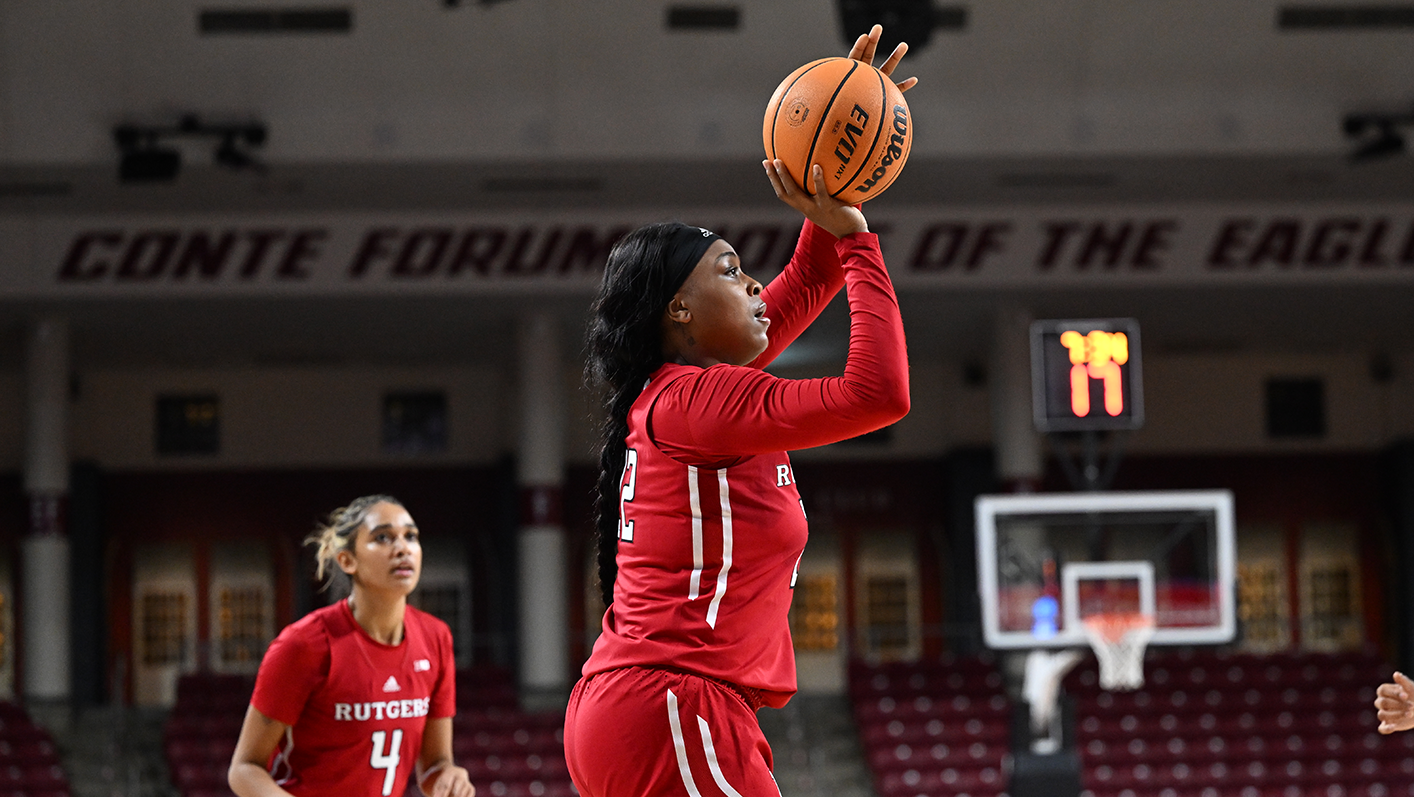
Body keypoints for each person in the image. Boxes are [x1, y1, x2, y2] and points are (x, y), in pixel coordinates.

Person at [564, 26, 915, 796]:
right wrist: (859, 240)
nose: (756, 284)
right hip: (673, 702)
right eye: (731, 268)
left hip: (648, 703)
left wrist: (833, 163)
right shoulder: (701, 399)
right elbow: (879, 393)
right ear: (679, 309)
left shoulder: (685, 393)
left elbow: (805, 275)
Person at [229, 495, 474, 797]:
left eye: (410, 536)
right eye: (382, 537)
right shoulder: (303, 644)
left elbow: (435, 765)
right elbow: (244, 769)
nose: (402, 548)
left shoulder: (436, 638)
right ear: (347, 560)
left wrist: (449, 777)